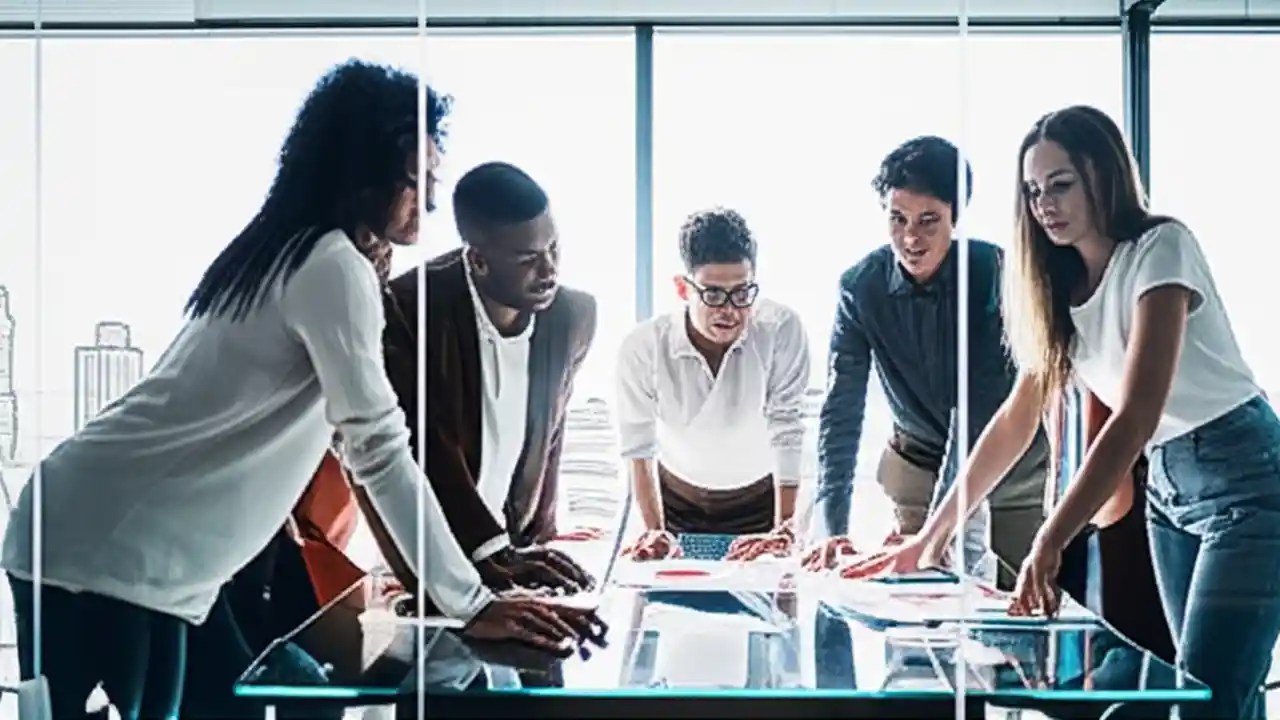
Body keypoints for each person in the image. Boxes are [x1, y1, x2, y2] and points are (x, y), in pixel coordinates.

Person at [0, 60, 603, 720]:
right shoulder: (327, 265)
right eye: (416, 181)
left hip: (148, 560)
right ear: (363, 170)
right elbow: (378, 451)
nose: (430, 204)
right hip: (100, 548)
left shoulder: (296, 252)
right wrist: (472, 602)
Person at [842, 105, 1280, 720]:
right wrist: (930, 538)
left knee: (1211, 699)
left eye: (1060, 184)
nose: (1044, 204)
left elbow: (1136, 415)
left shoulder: (1162, 248)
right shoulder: (1059, 286)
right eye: (1033, 191)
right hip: (1169, 486)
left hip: (1248, 477)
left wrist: (1050, 539)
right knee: (1204, 689)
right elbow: (1015, 420)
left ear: (1103, 174)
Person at [808, 136, 1050, 587]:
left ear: (955, 216)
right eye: (897, 219)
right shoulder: (859, 288)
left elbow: (976, 410)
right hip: (918, 467)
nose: (911, 239)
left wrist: (936, 539)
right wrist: (832, 529)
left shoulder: (994, 274)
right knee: (915, 597)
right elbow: (841, 412)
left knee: (1013, 601)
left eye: (928, 221)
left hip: (1009, 470)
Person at [360, 160, 597, 601]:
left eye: (553, 248)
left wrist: (538, 542)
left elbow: (550, 436)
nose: (548, 269)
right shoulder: (408, 310)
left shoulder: (572, 317)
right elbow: (421, 447)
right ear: (478, 260)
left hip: (515, 556)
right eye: (528, 258)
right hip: (435, 560)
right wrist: (486, 554)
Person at [614, 207, 810, 561]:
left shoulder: (780, 329)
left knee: (773, 588)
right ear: (682, 288)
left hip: (761, 504)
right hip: (673, 504)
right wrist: (654, 531)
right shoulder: (643, 346)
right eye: (713, 295)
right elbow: (638, 448)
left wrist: (785, 528)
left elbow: (788, 429)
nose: (729, 310)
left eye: (741, 293)